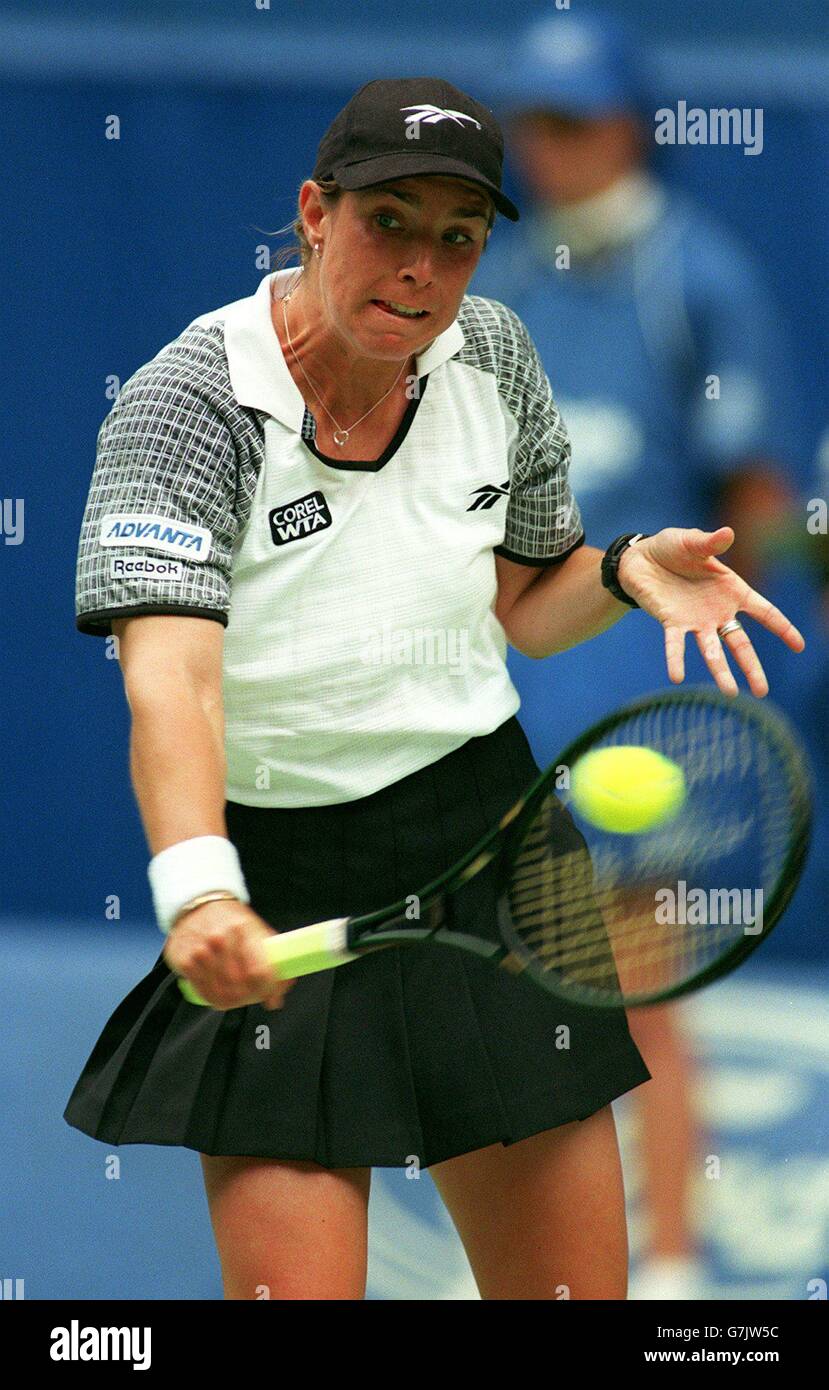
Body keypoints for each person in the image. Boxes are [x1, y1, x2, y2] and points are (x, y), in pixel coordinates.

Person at [63, 76, 803, 1301]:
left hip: (491, 860)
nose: (420, 267)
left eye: (457, 238)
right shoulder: (187, 405)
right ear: (315, 214)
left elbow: (525, 602)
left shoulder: (493, 355)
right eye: (389, 221)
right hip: (279, 881)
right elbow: (171, 681)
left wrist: (620, 570)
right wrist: (199, 887)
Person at [472, 11, 812, 1300]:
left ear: (629, 129)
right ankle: (532, 1272)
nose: (547, 147)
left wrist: (743, 664)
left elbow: (757, 504)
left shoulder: (697, 279)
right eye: (533, 122)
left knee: (638, 984)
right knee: (512, 1003)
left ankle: (669, 1267)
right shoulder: (504, 284)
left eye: (572, 122)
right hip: (509, 700)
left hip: (640, 718)